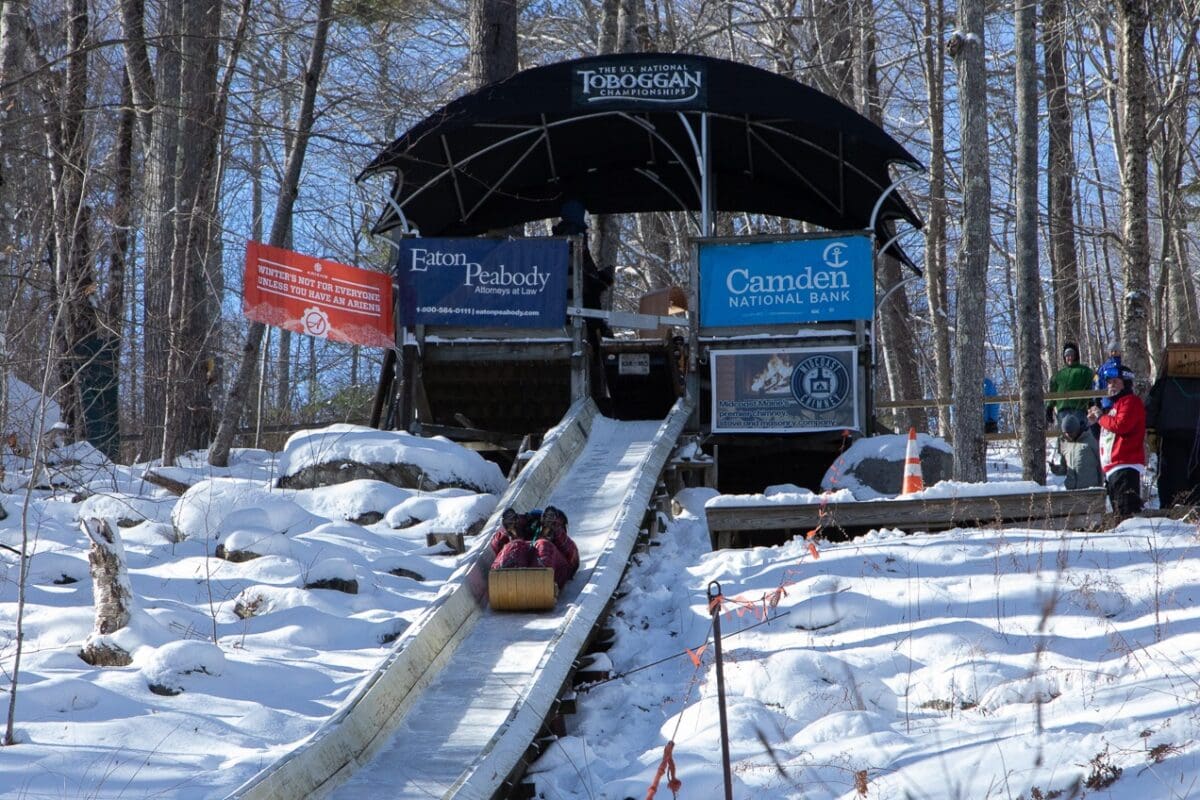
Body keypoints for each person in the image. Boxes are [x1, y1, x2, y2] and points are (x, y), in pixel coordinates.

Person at [1087, 365, 1146, 517]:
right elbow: (1106, 436)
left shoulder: (1130, 401)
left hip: (1126, 465)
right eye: (1108, 382)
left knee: (1127, 515)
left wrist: (1101, 417)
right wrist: (1094, 423)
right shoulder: (1114, 407)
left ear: (1125, 383)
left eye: (1115, 381)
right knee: (1118, 515)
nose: (1110, 385)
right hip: (1113, 468)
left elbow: (1121, 425)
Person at [1145, 373, 1200, 508]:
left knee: (1171, 476)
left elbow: (1150, 410)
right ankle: (1195, 510)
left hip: (1170, 436)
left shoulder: (1164, 383)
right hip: (1196, 436)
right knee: (1195, 476)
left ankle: (1171, 509)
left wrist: (1150, 430)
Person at [1049, 413, 1103, 489]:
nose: (1068, 435)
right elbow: (1064, 469)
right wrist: (1054, 468)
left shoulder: (1091, 440)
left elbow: (1101, 464)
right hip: (1071, 490)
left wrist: (1101, 485)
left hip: (1090, 489)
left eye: (1071, 432)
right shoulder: (1065, 444)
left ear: (1077, 429)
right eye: (1066, 433)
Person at [1048, 342, 1093, 427]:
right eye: (1067, 355)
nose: (1070, 358)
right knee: (1064, 432)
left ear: (1076, 356)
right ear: (1064, 357)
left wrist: (1091, 403)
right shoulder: (1058, 375)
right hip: (1062, 409)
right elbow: (1052, 392)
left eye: (1072, 355)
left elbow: (1091, 386)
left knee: (1079, 431)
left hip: (1079, 409)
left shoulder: (1084, 371)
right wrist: (1049, 407)